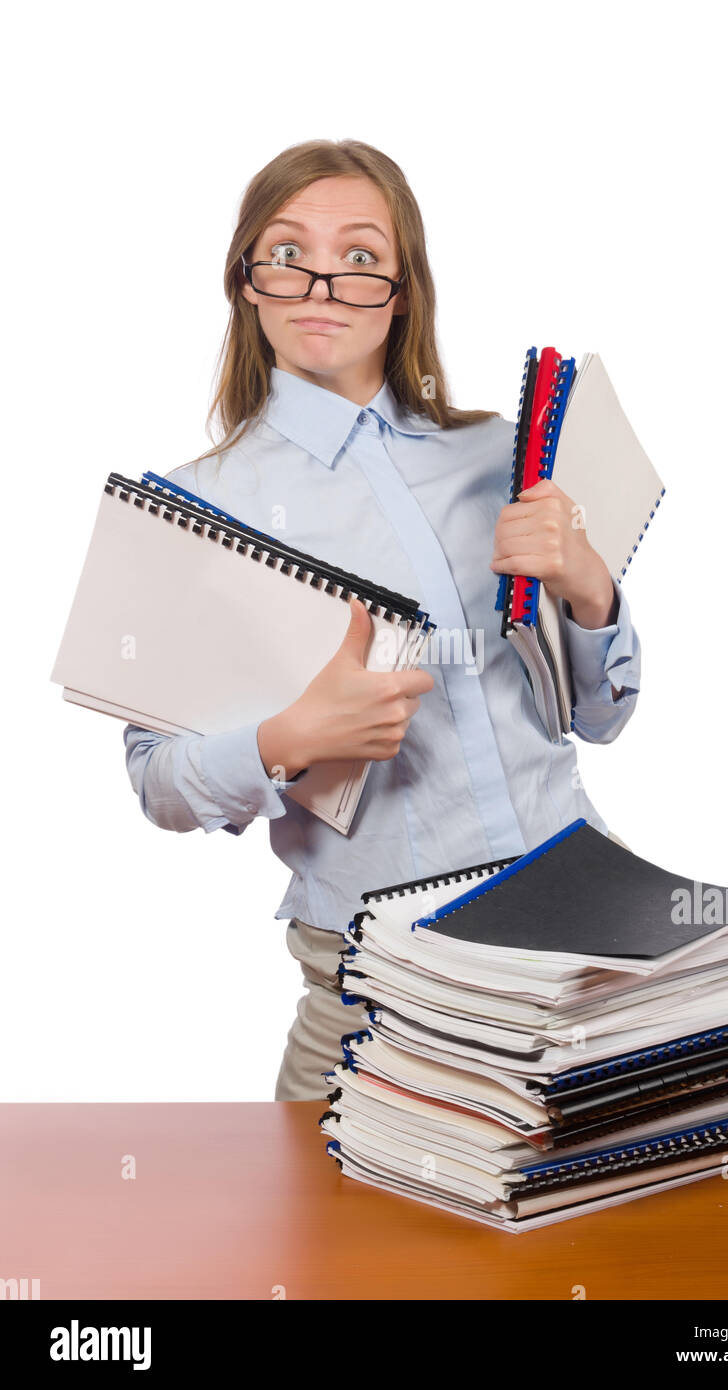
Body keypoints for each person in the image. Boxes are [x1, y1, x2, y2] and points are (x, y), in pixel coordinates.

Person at [123, 138, 641, 1102]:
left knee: (629, 1239)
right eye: (287, 250)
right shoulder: (194, 513)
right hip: (374, 987)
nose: (322, 279)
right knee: (332, 1251)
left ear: (402, 291)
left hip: (578, 939)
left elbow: (603, 715)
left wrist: (588, 589)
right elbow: (157, 784)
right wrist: (288, 739)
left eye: (360, 256)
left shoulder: (506, 457)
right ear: (246, 281)